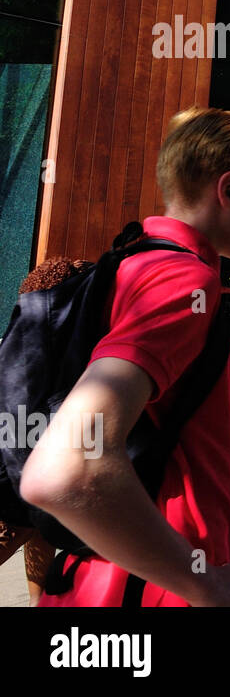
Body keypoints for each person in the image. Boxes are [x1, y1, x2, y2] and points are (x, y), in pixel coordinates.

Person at [22, 107, 230, 607]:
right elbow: (66, 466)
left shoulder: (131, 264)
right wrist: (209, 585)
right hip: (147, 592)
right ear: (229, 190)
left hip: (100, 578)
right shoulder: (182, 281)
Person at [0, 257, 92, 605]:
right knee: (26, 528)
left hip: (36, 465)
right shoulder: (41, 335)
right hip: (19, 468)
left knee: (40, 533)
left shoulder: (33, 328)